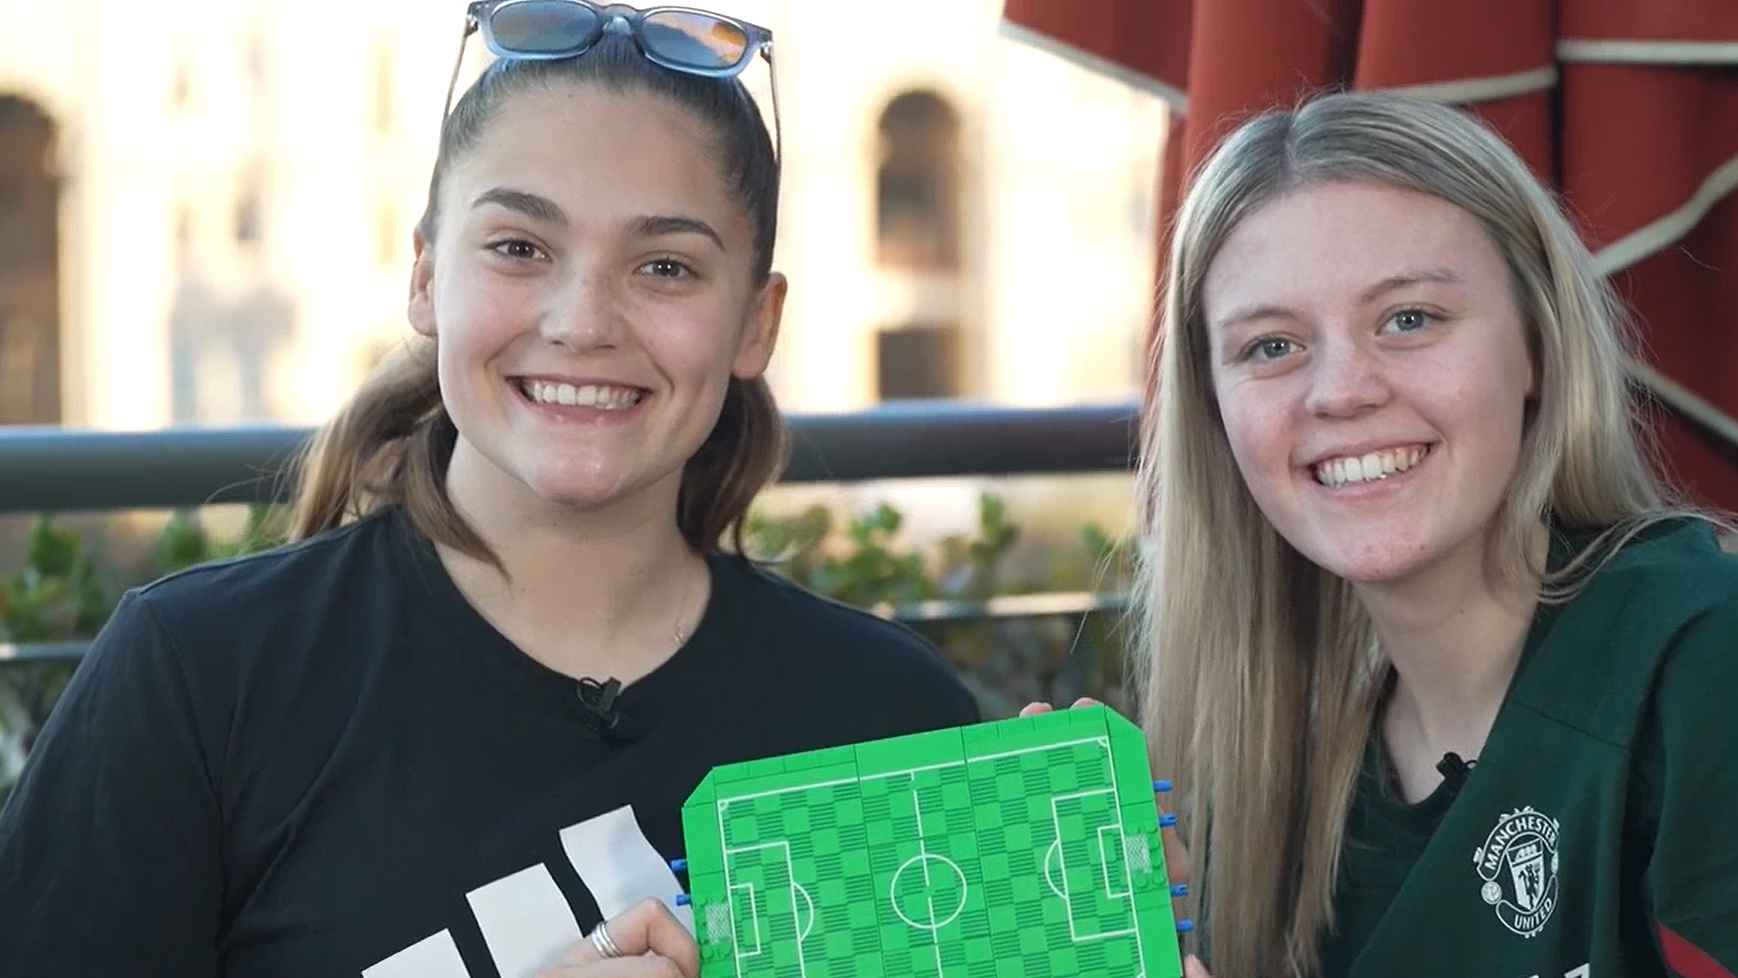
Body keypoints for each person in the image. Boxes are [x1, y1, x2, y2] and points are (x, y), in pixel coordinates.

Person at [0, 4, 977, 975]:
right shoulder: (201, 680)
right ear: (426, 274)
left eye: (666, 266)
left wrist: (1089, 906)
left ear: (756, 325)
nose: (583, 320)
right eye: (519, 248)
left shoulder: (889, 725)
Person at [1125, 90, 1738, 978]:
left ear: (1539, 346)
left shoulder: (1705, 658)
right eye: (1271, 346)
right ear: (1213, 409)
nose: (1341, 390)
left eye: (1409, 319)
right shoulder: (1272, 779)